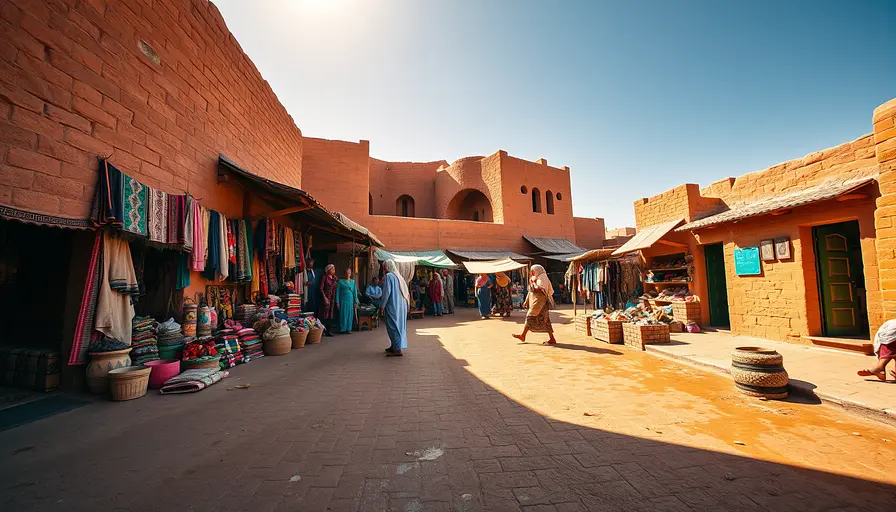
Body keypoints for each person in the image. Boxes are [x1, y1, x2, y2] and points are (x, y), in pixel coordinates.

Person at [513, 264, 557, 345]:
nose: (531, 273)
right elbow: (530, 292)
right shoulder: (536, 277)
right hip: (537, 302)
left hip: (541, 302)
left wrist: (533, 282)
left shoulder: (542, 277)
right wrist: (526, 301)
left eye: (532, 271)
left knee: (530, 317)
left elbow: (539, 288)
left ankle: (523, 335)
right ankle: (552, 338)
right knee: (546, 320)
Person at [380, 260, 409, 357]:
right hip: (401, 305)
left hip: (393, 304)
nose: (383, 269)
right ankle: (394, 346)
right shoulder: (399, 276)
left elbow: (386, 292)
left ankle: (397, 349)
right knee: (398, 325)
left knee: (393, 326)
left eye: (384, 267)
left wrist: (382, 306)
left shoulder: (389, 276)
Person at [335, 267, 359, 334]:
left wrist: (356, 301)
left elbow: (355, 292)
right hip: (343, 300)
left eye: (349, 273)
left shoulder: (352, 282)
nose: (347, 274)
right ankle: (343, 329)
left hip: (350, 300)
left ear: (350, 274)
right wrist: (337, 302)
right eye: (346, 273)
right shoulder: (340, 281)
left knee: (350, 314)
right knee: (343, 314)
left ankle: (349, 329)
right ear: (344, 274)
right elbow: (337, 292)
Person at [318, 264, 338, 337]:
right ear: (328, 270)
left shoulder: (335, 278)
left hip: (332, 298)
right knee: (324, 314)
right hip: (326, 297)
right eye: (332, 269)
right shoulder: (325, 278)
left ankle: (329, 331)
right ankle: (322, 330)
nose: (334, 270)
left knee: (331, 314)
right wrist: (325, 298)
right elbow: (321, 288)